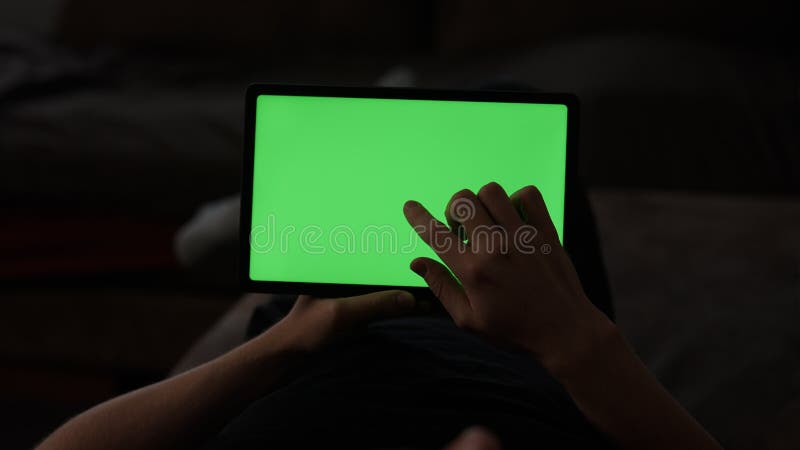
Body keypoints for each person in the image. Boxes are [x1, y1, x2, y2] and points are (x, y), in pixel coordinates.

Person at [36, 183, 723, 450]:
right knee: (517, 170)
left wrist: (281, 345)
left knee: (352, 191)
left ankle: (243, 211)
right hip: (531, 354)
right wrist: (574, 340)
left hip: (318, 345)